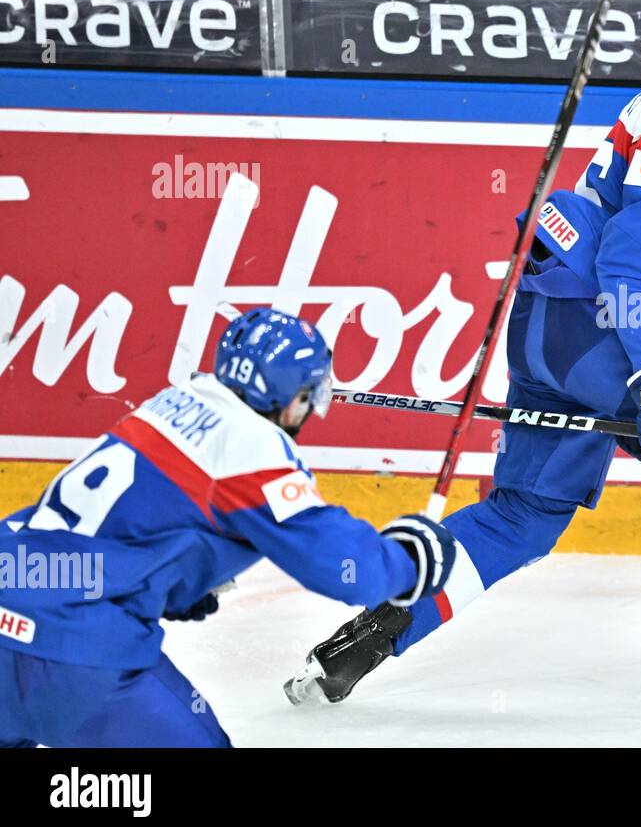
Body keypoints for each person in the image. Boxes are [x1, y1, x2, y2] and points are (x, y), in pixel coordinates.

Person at [286, 0, 641, 706]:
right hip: (614, 329)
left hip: (555, 334)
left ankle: (377, 632)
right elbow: (635, 257)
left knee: (525, 513)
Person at [0, 307, 453, 747]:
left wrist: (175, 585)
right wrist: (409, 562)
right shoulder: (250, 445)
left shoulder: (171, 403)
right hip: (74, 649)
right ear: (290, 396)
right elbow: (343, 567)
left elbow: (131, 526)